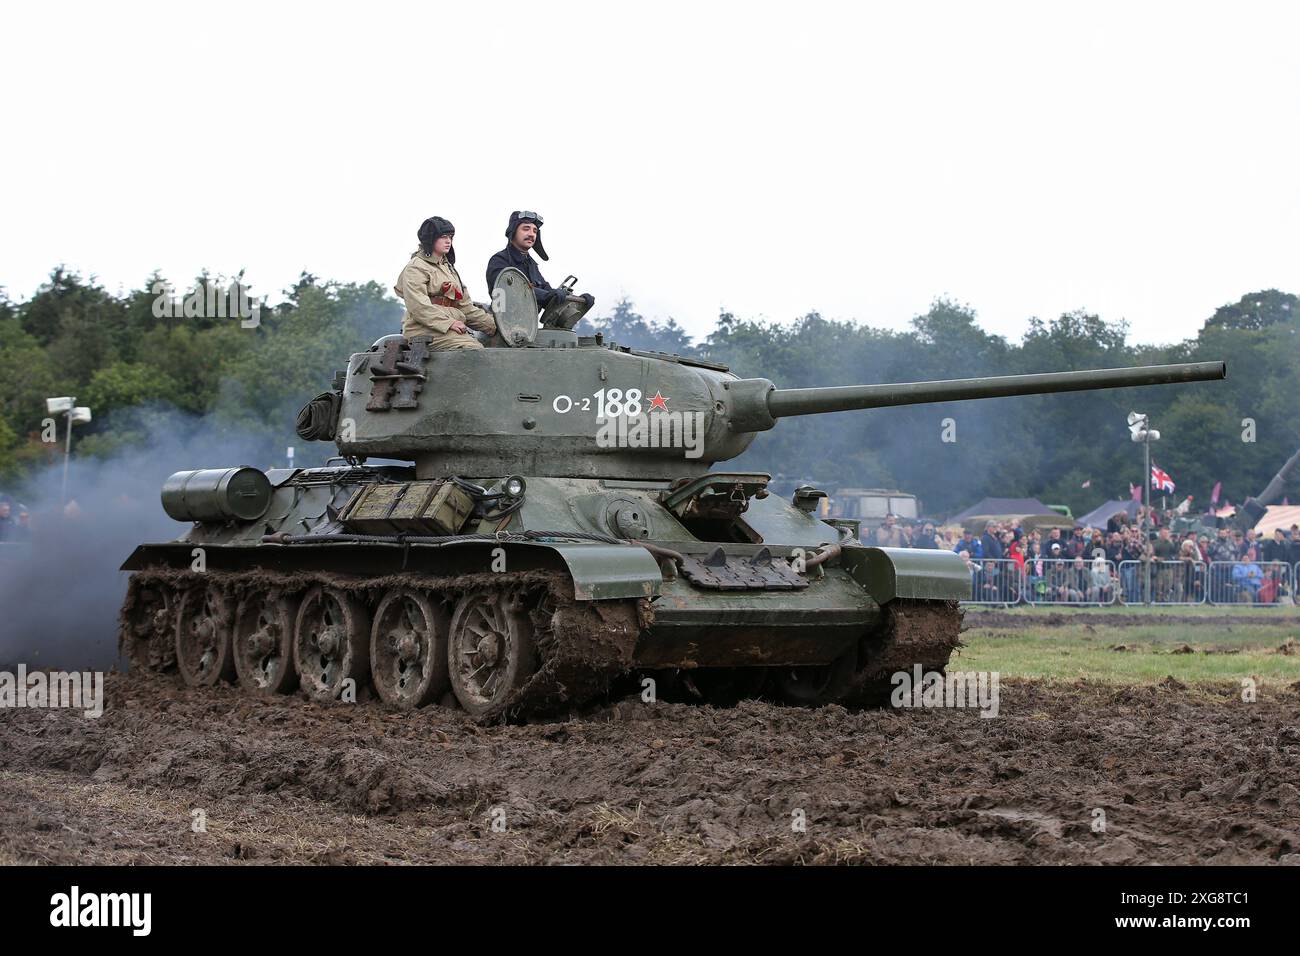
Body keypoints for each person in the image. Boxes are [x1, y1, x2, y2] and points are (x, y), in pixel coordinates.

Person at [395, 216, 498, 350]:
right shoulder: (416, 267)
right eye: (443, 237)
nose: (448, 241)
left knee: (492, 345)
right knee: (473, 351)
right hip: (423, 329)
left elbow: (465, 308)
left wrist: (495, 326)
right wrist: (449, 323)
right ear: (431, 239)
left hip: (450, 327)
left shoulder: (448, 269)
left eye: (450, 237)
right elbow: (418, 306)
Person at [485, 210, 594, 313]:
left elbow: (548, 292)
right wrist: (548, 296)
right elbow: (509, 291)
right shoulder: (499, 260)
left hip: (527, 327)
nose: (532, 234)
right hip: (500, 325)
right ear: (513, 232)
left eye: (535, 231)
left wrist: (577, 301)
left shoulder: (531, 264)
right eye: (526, 229)